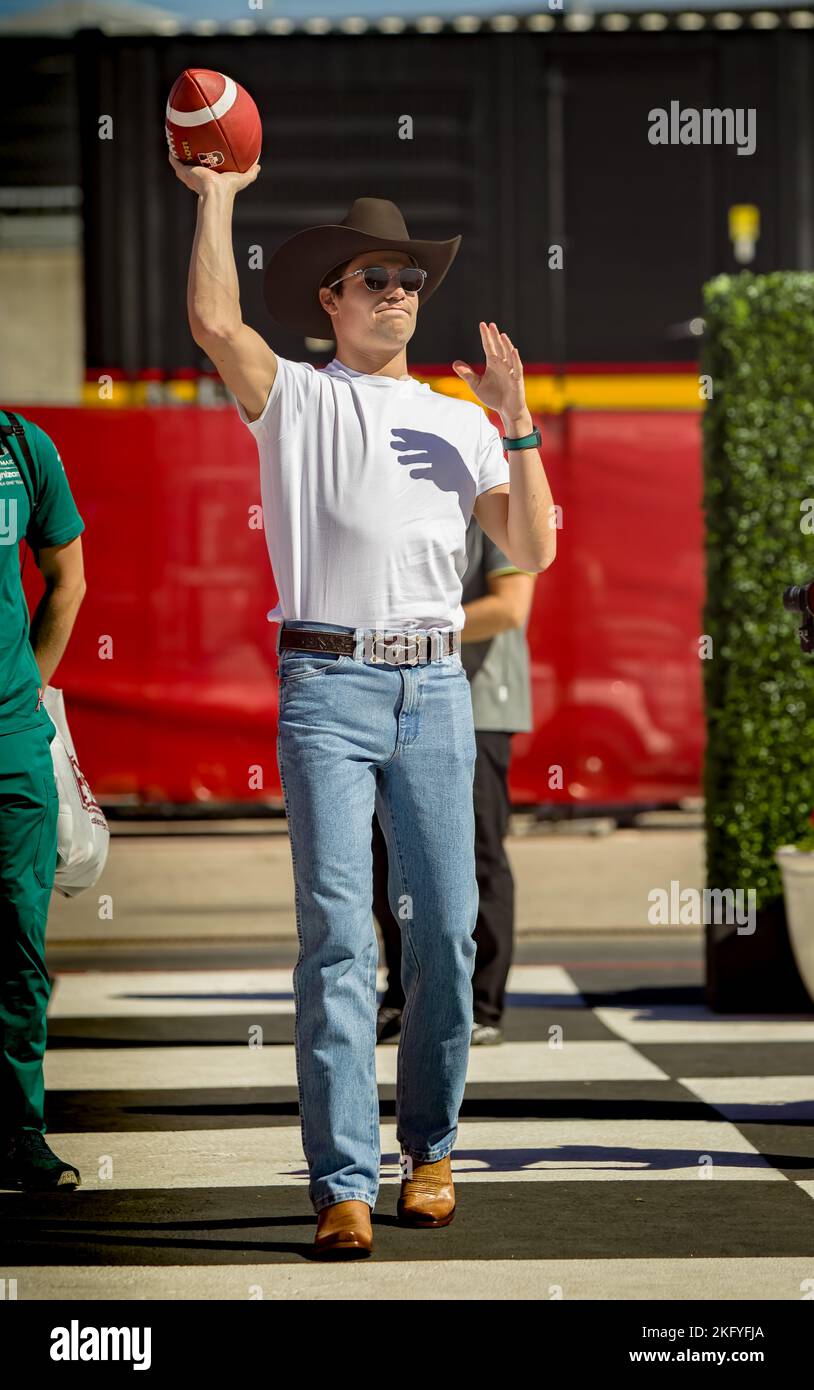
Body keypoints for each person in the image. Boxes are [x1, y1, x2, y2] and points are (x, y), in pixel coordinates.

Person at [170, 151, 557, 1258]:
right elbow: (210, 319)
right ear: (331, 300)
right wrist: (217, 197)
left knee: (443, 928)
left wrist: (517, 420)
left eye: (408, 278)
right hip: (325, 685)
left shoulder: (464, 422)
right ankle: (342, 1180)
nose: (395, 290)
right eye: (372, 276)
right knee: (338, 936)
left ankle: (428, 1151)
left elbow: (530, 545)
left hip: (437, 686)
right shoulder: (294, 396)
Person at [373, 515, 536, 1047]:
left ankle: (482, 1003)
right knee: (386, 851)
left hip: (480, 705)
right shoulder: (399, 498)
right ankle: (404, 995)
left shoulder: (491, 502)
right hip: (394, 696)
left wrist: (411, 632)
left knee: (478, 853)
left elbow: (510, 607)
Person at [0, 410, 86, 1191]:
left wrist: (29, 692)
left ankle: (18, 1133)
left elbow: (69, 576)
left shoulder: (22, 446)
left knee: (19, 955)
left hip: (9, 747)